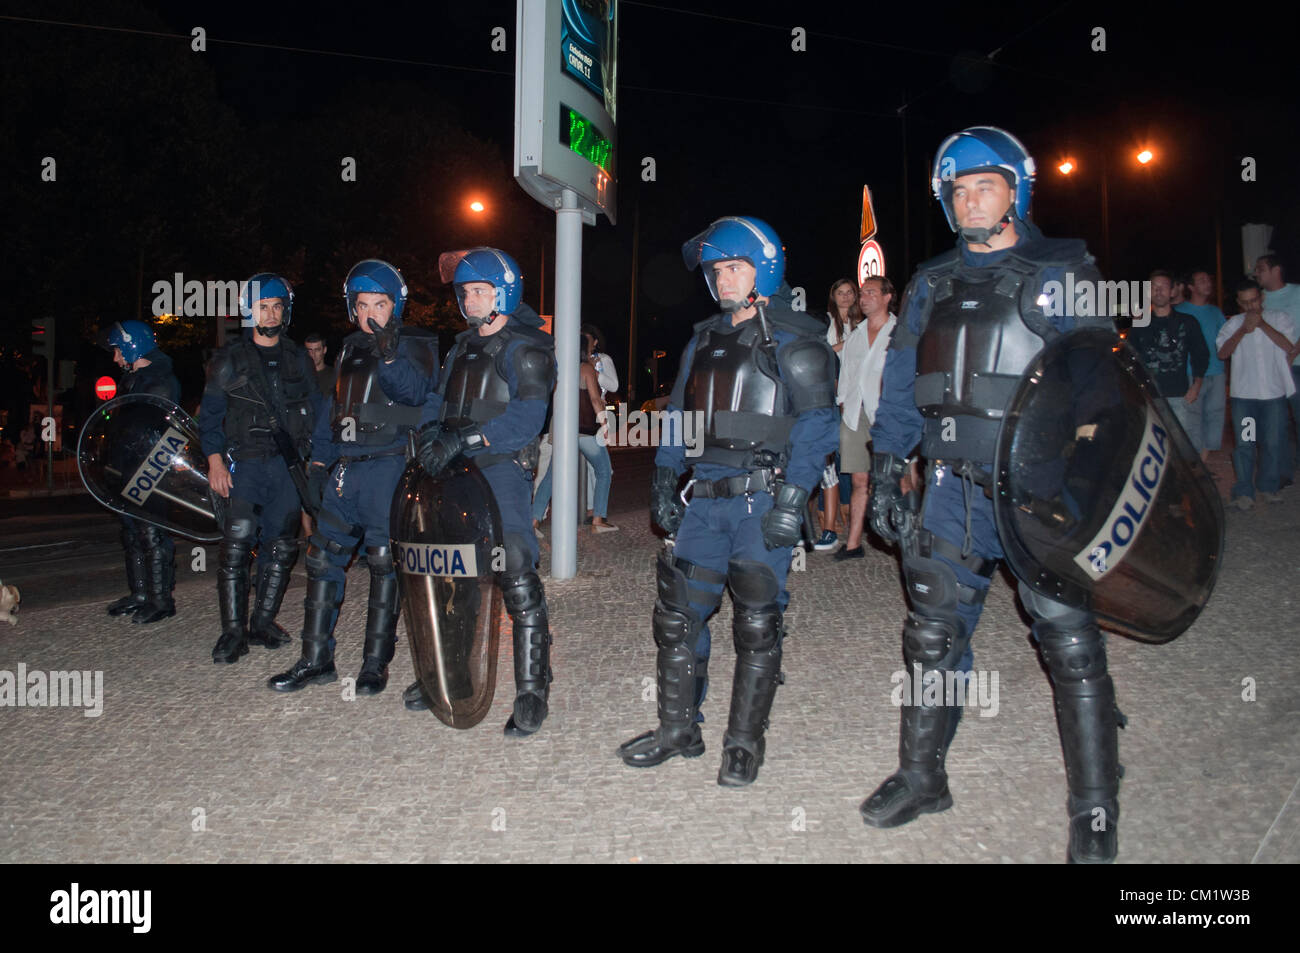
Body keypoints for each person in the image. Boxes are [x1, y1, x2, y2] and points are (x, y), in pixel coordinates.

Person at [863, 127, 1124, 862]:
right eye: (958, 190)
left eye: (985, 185)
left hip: (1038, 488)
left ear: (1018, 190)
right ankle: (922, 775)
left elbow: (1103, 391)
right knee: (933, 637)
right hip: (950, 489)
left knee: (1070, 645)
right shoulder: (931, 282)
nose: (971, 199)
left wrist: (1091, 482)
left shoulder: (1064, 267)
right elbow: (903, 382)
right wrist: (888, 462)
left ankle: (1095, 807)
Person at [619, 216, 838, 786]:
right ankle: (677, 729)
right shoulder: (702, 340)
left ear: (763, 268)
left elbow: (817, 424)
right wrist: (665, 479)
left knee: (757, 624)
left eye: (733, 267)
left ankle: (743, 743)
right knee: (677, 618)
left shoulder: (796, 338)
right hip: (705, 503)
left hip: (760, 502)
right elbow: (678, 417)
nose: (722, 279)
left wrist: (795, 498)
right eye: (716, 270)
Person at [403, 247, 557, 736]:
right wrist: (429, 433)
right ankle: (453, 676)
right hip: (454, 470)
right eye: (465, 292)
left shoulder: (527, 347)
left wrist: (464, 438)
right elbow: (436, 398)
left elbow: (527, 418)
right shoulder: (461, 347)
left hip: (500, 467)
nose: (469, 300)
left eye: (479, 291)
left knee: (513, 565)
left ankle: (533, 689)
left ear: (503, 293)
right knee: (455, 573)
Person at [267, 259, 438, 695]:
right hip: (348, 468)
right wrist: (320, 464)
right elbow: (333, 410)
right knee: (322, 559)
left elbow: (416, 395)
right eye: (362, 305)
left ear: (394, 305)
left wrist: (390, 351)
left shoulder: (416, 343)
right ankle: (315, 659)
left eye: (379, 304)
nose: (371, 314)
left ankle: (374, 665)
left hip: (389, 465)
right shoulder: (346, 348)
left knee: (385, 564)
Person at [199, 273, 320, 664]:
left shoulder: (298, 357)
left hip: (286, 467)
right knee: (235, 549)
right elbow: (211, 415)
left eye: (276, 306)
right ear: (249, 312)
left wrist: (317, 460)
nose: (270, 314)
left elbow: (316, 412)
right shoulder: (229, 358)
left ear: (285, 311)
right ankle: (232, 632)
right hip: (245, 464)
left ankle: (262, 621)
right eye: (262, 307)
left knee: (282, 547)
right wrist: (215, 460)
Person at [101, 320, 181, 624]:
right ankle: (140, 593)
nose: (116, 358)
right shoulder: (134, 379)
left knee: (151, 532)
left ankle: (161, 600)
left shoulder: (161, 379)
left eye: (118, 350)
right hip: (127, 463)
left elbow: (151, 425)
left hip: (151, 464)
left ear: (133, 346)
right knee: (131, 532)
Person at [1216, 278, 1297, 509]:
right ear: (1239, 304)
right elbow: (1223, 353)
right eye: (1246, 303)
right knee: (1246, 443)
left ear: (1261, 298)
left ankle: (1268, 487)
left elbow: (1288, 346)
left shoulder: (1279, 318)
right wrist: (1243, 330)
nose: (1252, 307)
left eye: (1255, 301)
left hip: (1273, 396)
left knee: (1272, 443)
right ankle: (1244, 491)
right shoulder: (1233, 325)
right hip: (1245, 398)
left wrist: (1261, 324)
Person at [834, 275, 897, 560]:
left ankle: (906, 539)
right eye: (862, 293)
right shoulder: (856, 334)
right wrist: (842, 401)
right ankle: (853, 544)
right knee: (860, 480)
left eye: (871, 292)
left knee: (899, 478)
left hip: (890, 414)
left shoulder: (899, 332)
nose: (864, 297)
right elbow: (846, 370)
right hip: (856, 413)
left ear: (887, 297)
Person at [532, 331, 617, 532]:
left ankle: (534, 521)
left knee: (551, 476)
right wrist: (604, 424)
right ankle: (598, 518)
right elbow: (595, 400)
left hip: (561, 428)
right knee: (604, 471)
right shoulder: (585, 369)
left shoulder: (557, 368)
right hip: (583, 430)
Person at [1127, 270, 1208, 450]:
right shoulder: (1140, 323)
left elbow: (1200, 354)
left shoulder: (1187, 322)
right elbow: (1131, 357)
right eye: (1154, 287)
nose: (1159, 291)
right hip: (1149, 397)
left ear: (1172, 291)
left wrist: (1196, 385)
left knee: (1182, 447)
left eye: (1163, 287)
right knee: (1152, 448)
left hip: (1179, 395)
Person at [815, 279, 860, 550]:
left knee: (850, 453)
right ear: (833, 296)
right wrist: (847, 344)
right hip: (831, 388)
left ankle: (847, 506)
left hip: (856, 390)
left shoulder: (862, 322)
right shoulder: (825, 322)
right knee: (829, 453)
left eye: (849, 292)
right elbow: (820, 354)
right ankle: (828, 516)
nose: (845, 297)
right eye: (840, 292)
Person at [1253, 255, 1300, 483]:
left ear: (1276, 270)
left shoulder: (1297, 293)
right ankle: (1282, 471)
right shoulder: (1257, 299)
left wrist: (1293, 351)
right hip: (1271, 372)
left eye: (1260, 269)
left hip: (1298, 367)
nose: (1256, 273)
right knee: (1276, 422)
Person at [1181, 270, 1228, 463]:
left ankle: (1203, 461)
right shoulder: (1181, 311)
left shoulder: (1216, 312)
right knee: (1193, 418)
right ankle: (1194, 463)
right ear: (1191, 287)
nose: (1208, 283)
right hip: (1191, 373)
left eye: (1209, 280)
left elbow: (1225, 341)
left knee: (1215, 416)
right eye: (1202, 281)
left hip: (1216, 371)